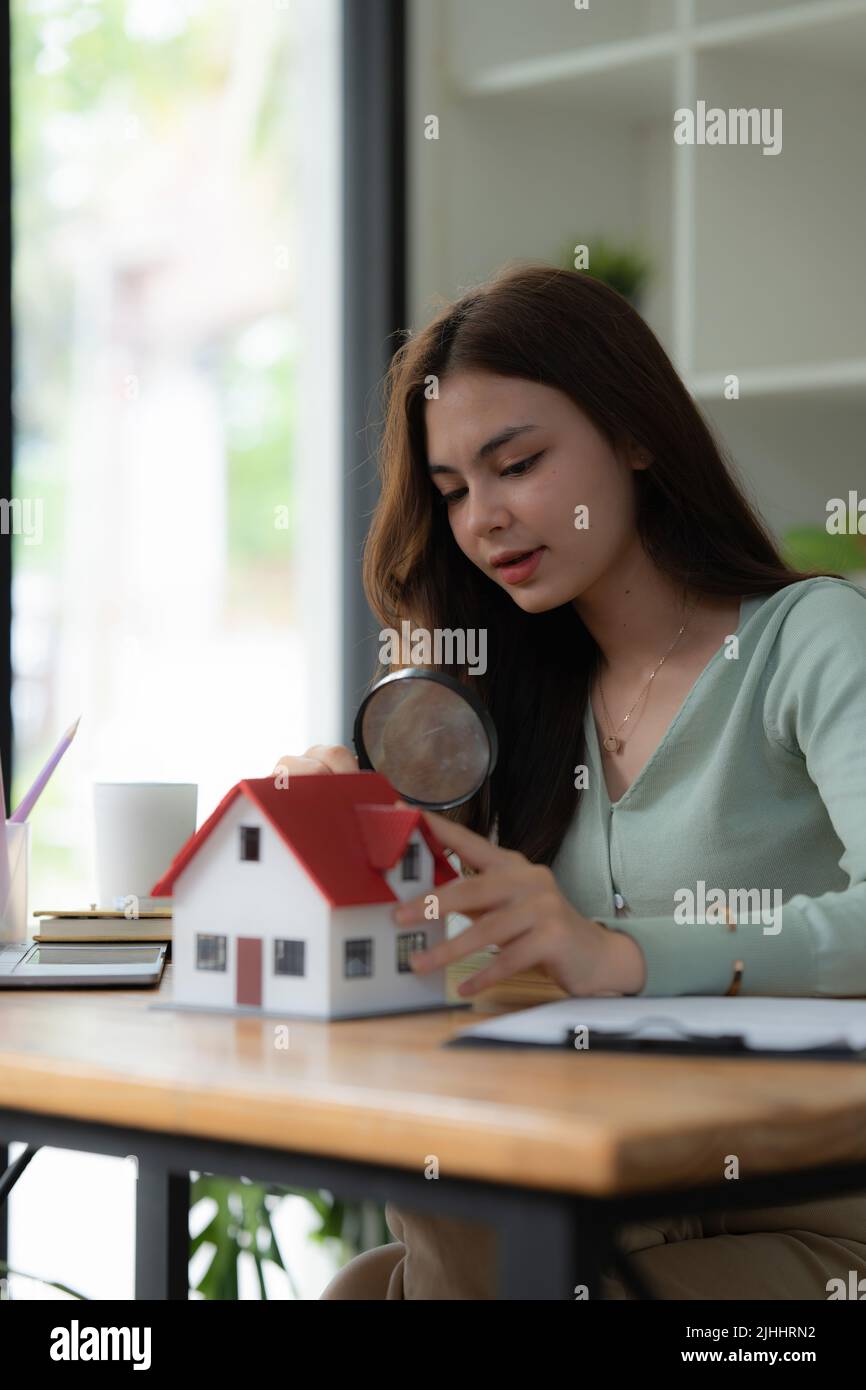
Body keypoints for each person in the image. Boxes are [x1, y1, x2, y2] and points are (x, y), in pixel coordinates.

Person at [278, 263, 866, 1299]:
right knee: (362, 1288)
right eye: (453, 491)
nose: (483, 519)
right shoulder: (522, 697)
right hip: (619, 1191)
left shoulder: (808, 640)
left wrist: (620, 953)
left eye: (517, 463)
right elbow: (442, 948)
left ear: (635, 434)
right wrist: (337, 832)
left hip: (817, 1219)